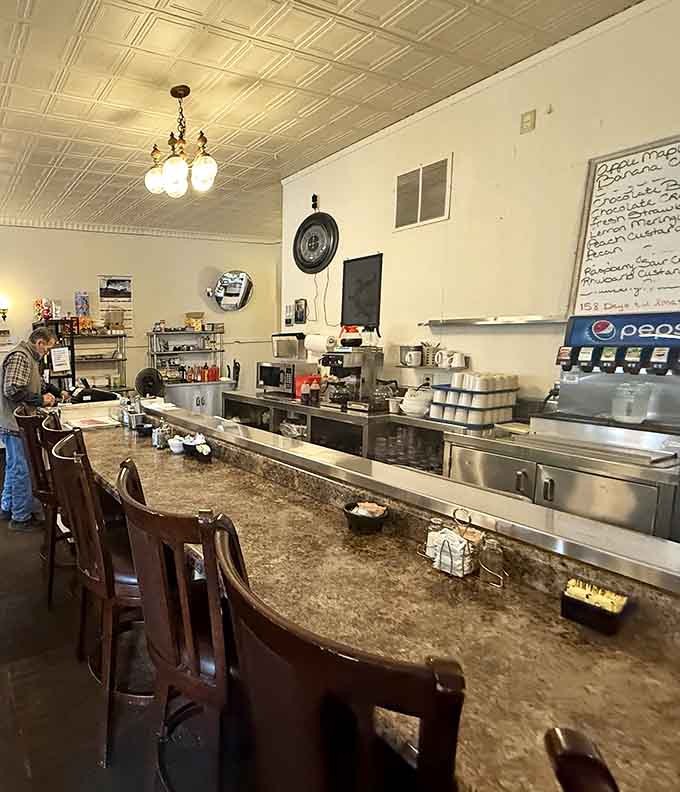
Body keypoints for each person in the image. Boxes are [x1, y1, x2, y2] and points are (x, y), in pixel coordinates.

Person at [0, 326, 69, 532]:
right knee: (21, 469)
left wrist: (57, 391)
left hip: (13, 421)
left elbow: (37, 383)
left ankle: (7, 507)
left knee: (14, 467)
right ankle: (20, 517)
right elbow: (12, 389)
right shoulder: (21, 356)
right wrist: (40, 400)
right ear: (39, 343)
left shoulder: (31, 358)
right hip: (14, 422)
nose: (47, 353)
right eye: (47, 348)